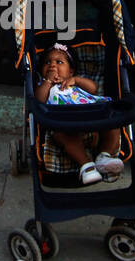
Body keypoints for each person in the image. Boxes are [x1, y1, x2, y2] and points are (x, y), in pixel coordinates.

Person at [33, 44, 123, 184]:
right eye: (47, 62)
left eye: (59, 62)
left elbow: (93, 88)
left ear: (71, 71)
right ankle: (87, 166)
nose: (52, 65)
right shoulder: (44, 85)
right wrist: (48, 81)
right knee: (67, 138)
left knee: (113, 125)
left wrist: (77, 80)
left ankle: (104, 157)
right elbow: (38, 100)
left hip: (92, 118)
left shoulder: (74, 82)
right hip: (65, 124)